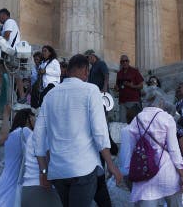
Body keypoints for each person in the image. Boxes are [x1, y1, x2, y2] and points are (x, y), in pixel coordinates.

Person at [33, 54, 122, 207]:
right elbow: (99, 131)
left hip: (58, 171)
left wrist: (43, 171)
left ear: (68, 71)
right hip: (83, 168)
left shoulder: (50, 95)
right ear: (86, 71)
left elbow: (38, 136)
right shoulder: (91, 90)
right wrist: (111, 164)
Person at [118, 86, 183, 206]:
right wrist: (182, 174)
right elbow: (174, 150)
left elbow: (133, 149)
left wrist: (128, 172)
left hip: (145, 173)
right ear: (160, 102)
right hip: (167, 172)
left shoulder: (136, 120)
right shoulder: (167, 118)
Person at [0, 108, 35, 207]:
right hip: (16, 177)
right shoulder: (25, 131)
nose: (35, 120)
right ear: (28, 118)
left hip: (7, 175)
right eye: (34, 117)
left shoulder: (11, 134)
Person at [115, 54, 144, 123]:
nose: (124, 62)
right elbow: (118, 86)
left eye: (126, 61)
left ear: (129, 61)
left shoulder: (134, 71)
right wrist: (116, 88)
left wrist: (132, 86)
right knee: (122, 123)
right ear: (121, 63)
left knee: (135, 123)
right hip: (122, 101)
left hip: (133, 101)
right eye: (122, 61)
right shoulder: (119, 73)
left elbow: (141, 86)